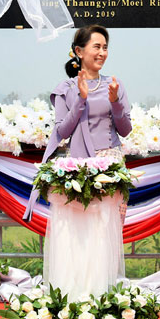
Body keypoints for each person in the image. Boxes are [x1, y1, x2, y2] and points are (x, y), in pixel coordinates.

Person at [42, 24, 133, 300]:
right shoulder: (65, 89)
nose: (102, 52)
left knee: (103, 233)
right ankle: (72, 294)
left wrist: (115, 101)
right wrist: (81, 99)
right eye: (97, 46)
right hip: (79, 167)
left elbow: (126, 129)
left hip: (109, 166)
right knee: (76, 232)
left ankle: (100, 294)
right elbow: (63, 131)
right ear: (78, 51)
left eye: (105, 47)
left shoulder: (113, 85)